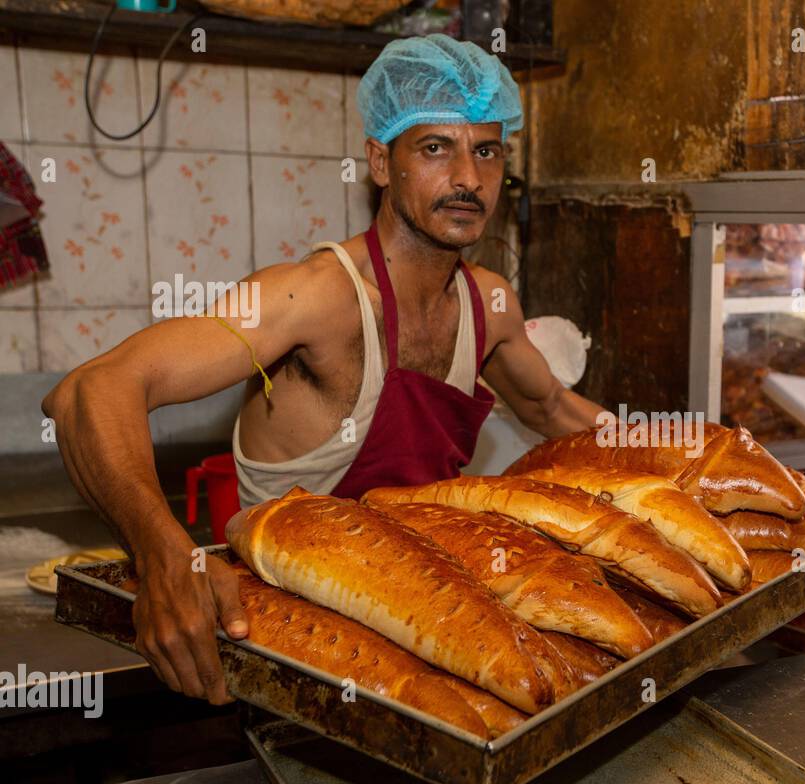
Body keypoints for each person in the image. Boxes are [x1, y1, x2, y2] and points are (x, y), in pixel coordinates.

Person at [42, 36, 606, 705]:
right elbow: (92, 389)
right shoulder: (313, 297)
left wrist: (676, 453)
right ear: (380, 162)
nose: (467, 177)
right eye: (435, 148)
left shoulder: (490, 302)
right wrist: (166, 556)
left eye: (486, 150)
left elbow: (555, 414)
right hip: (295, 647)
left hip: (435, 624)